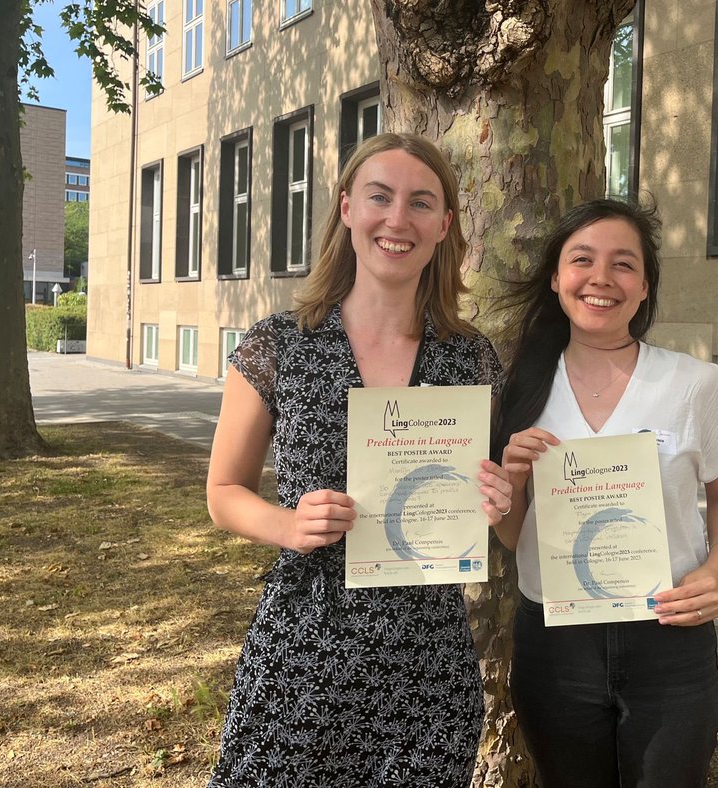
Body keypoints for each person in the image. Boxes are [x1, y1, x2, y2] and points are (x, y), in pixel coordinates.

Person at [206, 133, 513, 788]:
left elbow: (490, 511)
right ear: (347, 208)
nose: (398, 219)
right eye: (380, 197)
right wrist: (288, 524)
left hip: (427, 669)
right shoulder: (279, 345)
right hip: (302, 652)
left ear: (444, 225)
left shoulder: (471, 358)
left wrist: (497, 499)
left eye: (421, 203)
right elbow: (223, 492)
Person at [491, 198, 718, 788]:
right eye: (582, 259)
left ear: (645, 285)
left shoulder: (693, 383)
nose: (601, 277)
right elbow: (512, 535)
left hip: (669, 637)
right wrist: (513, 485)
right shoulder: (521, 386)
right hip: (555, 641)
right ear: (556, 277)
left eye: (623, 264)